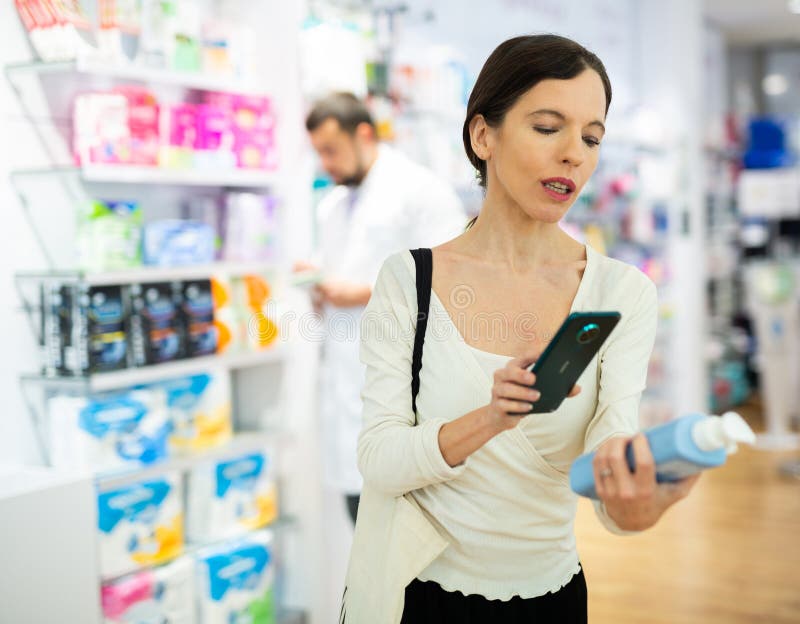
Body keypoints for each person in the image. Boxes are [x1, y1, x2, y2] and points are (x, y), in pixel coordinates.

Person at [340, 35, 700, 623]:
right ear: (484, 136)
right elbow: (379, 460)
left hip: (552, 597)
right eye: (547, 127)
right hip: (419, 594)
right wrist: (490, 418)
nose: (574, 155)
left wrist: (640, 505)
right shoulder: (410, 280)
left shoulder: (619, 292)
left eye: (590, 138)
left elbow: (608, 459)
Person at [299, 92, 466, 526]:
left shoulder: (419, 191)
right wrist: (316, 282)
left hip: (406, 391)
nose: (326, 163)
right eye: (319, 153)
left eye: (331, 150)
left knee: (414, 540)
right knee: (367, 535)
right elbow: (338, 274)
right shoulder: (333, 205)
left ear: (365, 134)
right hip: (349, 387)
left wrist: (363, 293)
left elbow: (450, 277)